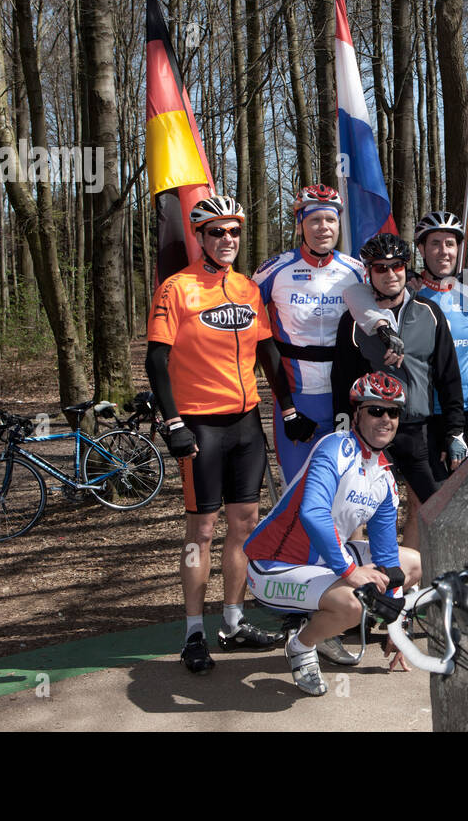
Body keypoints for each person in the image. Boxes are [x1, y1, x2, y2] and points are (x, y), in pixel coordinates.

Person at [145, 195, 283, 674]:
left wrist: (285, 405)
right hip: (199, 423)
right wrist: (173, 423)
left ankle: (234, 620)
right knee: (200, 531)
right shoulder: (175, 288)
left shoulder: (247, 288)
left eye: (235, 232)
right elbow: (156, 361)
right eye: (217, 232)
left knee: (244, 525)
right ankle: (193, 632)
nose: (228, 240)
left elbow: (268, 352)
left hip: (245, 423)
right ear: (200, 237)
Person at [243, 372, 422, 696]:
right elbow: (313, 512)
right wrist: (351, 572)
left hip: (325, 560)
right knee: (352, 605)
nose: (385, 419)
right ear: (357, 415)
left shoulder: (383, 475)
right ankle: (300, 646)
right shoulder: (334, 448)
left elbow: (387, 558)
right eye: (376, 410)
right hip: (273, 564)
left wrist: (396, 623)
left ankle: (325, 630)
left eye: (392, 412)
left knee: (412, 563)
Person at [331, 232, 465, 551]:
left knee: (427, 505)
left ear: (407, 267)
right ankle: (365, 583)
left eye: (397, 266)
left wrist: (455, 431)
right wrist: (340, 425)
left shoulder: (430, 312)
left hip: (417, 427)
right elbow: (341, 378)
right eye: (381, 268)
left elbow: (448, 376)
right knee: (361, 509)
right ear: (369, 272)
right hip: (370, 429)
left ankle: (412, 581)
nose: (390, 274)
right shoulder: (354, 320)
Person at [346, 210, 468, 482]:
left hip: (465, 409)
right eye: (434, 243)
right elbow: (357, 294)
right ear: (421, 248)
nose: (443, 251)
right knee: (424, 497)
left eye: (450, 243)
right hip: (419, 413)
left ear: (460, 248)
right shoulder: (408, 291)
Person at [253, 185, 366, 484]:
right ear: (301, 223)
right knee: (298, 487)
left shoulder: (356, 271)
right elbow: (244, 322)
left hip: (344, 396)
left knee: (346, 488)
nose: (323, 228)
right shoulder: (274, 269)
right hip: (296, 398)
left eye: (331, 220)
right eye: (314, 220)